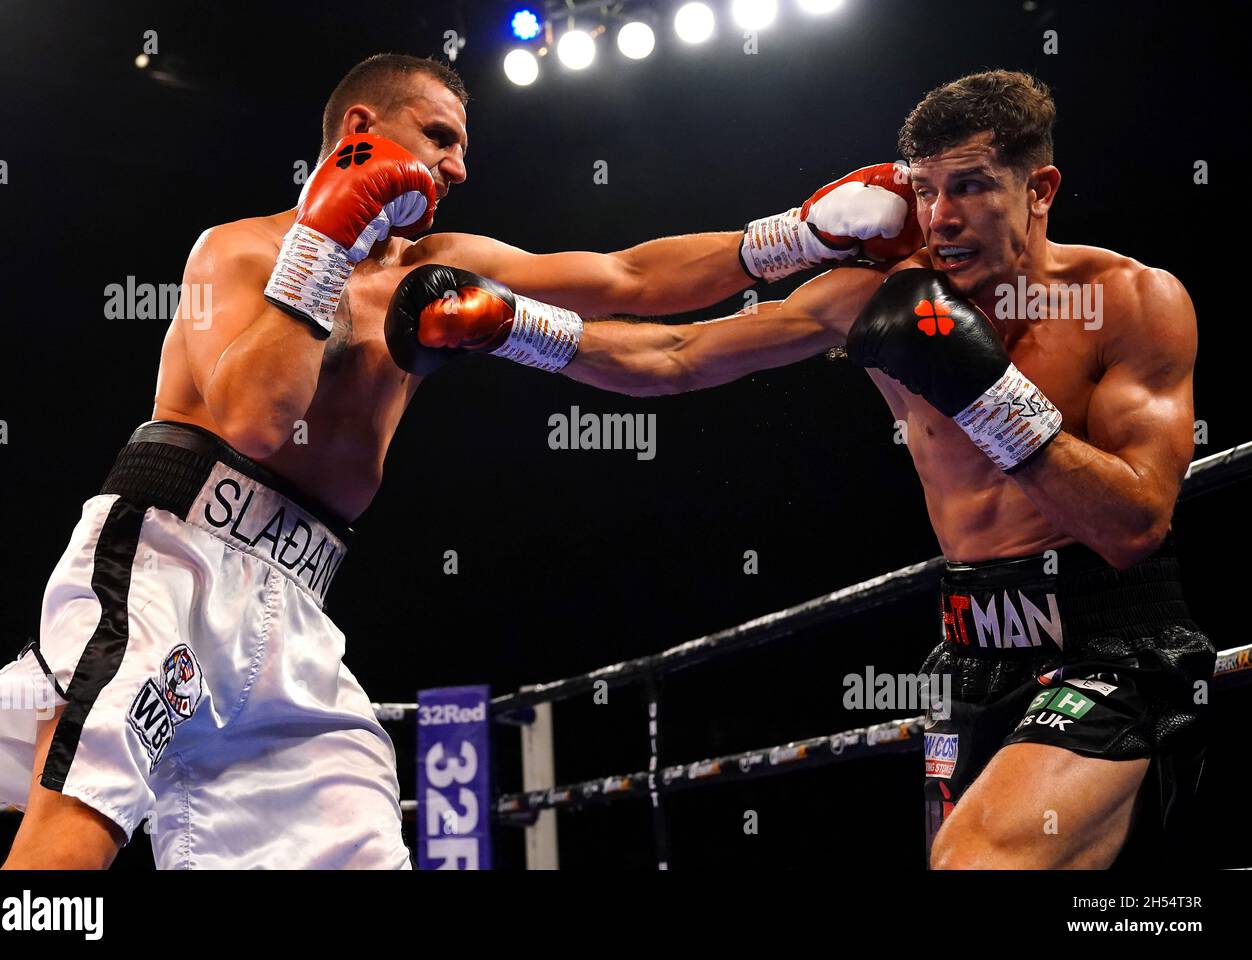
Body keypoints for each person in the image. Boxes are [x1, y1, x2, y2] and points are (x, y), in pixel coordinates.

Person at [0, 52, 918, 869]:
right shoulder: (239, 252)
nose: (460, 164)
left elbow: (630, 284)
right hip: (167, 559)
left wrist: (800, 237)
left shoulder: (438, 267)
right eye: (441, 135)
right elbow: (257, 419)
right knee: (81, 816)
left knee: (356, 836)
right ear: (364, 129)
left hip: (294, 611)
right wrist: (324, 243)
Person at [394, 70, 1213, 869]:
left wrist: (980, 387)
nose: (942, 218)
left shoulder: (1129, 301)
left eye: (970, 187)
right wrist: (508, 326)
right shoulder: (886, 292)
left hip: (1112, 641)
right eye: (925, 191)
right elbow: (676, 355)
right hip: (967, 647)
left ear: (1040, 189)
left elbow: (1135, 526)